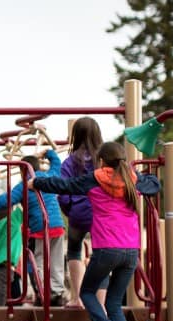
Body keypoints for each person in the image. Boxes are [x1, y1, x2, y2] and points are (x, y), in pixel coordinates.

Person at [29, 141, 160, 321]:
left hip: (106, 250)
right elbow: (155, 184)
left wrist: (36, 181)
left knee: (87, 292)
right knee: (113, 303)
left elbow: (64, 185)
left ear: (101, 161)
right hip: (131, 252)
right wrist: (137, 173)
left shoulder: (94, 179)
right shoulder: (133, 179)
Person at [0, 150, 67, 306]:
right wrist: (48, 153)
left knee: (38, 260)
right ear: (38, 166)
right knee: (56, 261)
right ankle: (57, 292)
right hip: (58, 226)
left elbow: (6, 201)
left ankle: (43, 292)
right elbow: (57, 164)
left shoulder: (24, 185)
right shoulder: (49, 177)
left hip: (40, 228)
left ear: (22, 171)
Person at [60, 117, 106, 308]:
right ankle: (101, 303)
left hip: (78, 213)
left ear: (75, 136)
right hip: (102, 214)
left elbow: (62, 193)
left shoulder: (70, 162)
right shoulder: (104, 161)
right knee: (102, 256)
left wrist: (70, 210)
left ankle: (77, 297)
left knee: (74, 250)